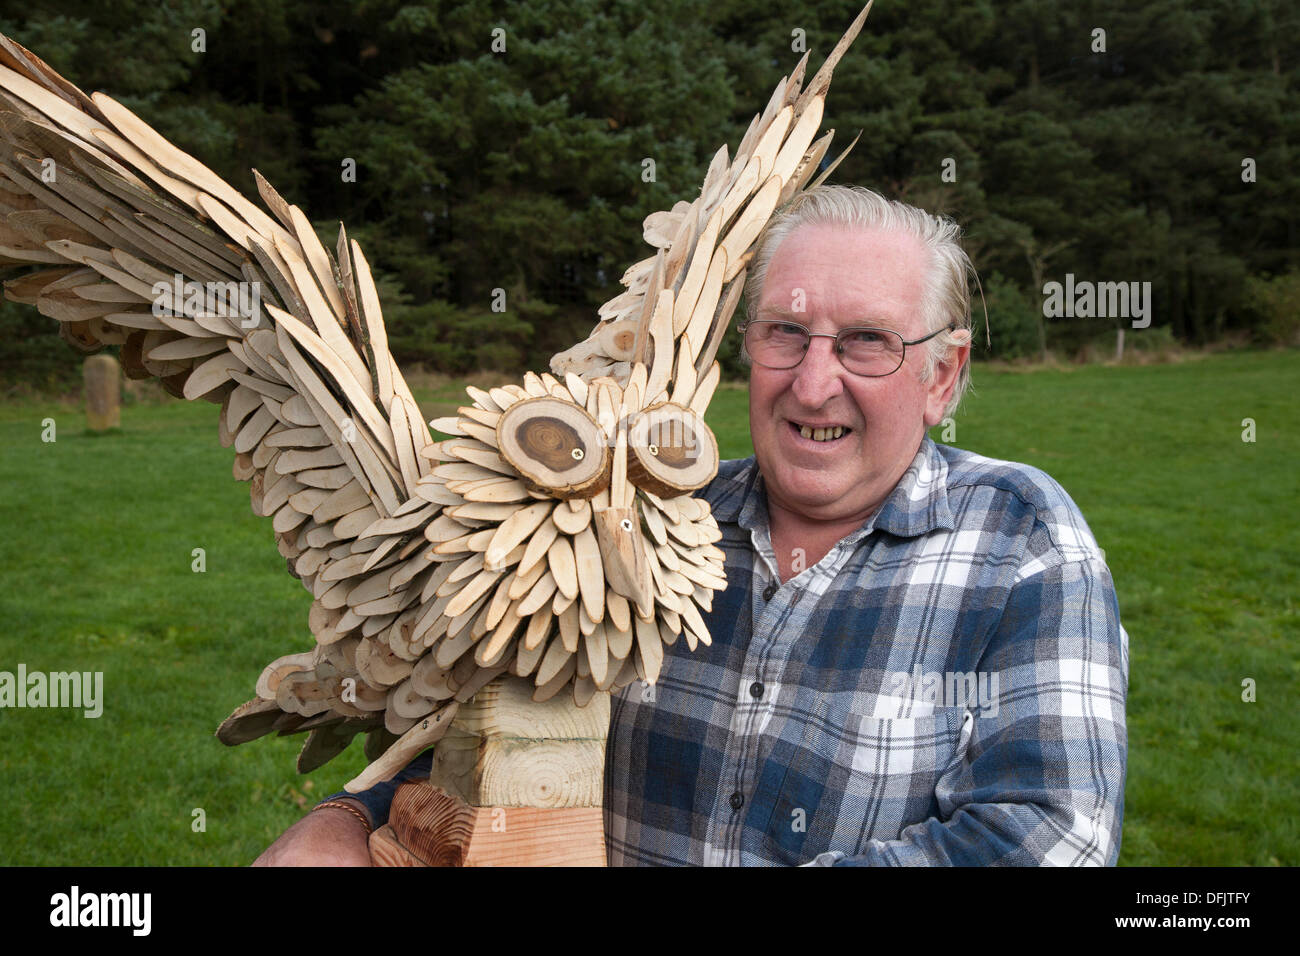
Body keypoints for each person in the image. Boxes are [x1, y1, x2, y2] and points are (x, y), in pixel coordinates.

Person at [255, 185, 1129, 867]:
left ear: (943, 375)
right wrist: (348, 819)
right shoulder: (642, 526)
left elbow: (1054, 837)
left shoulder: (1021, 543)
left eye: (866, 341)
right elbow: (492, 729)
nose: (814, 383)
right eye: (787, 333)